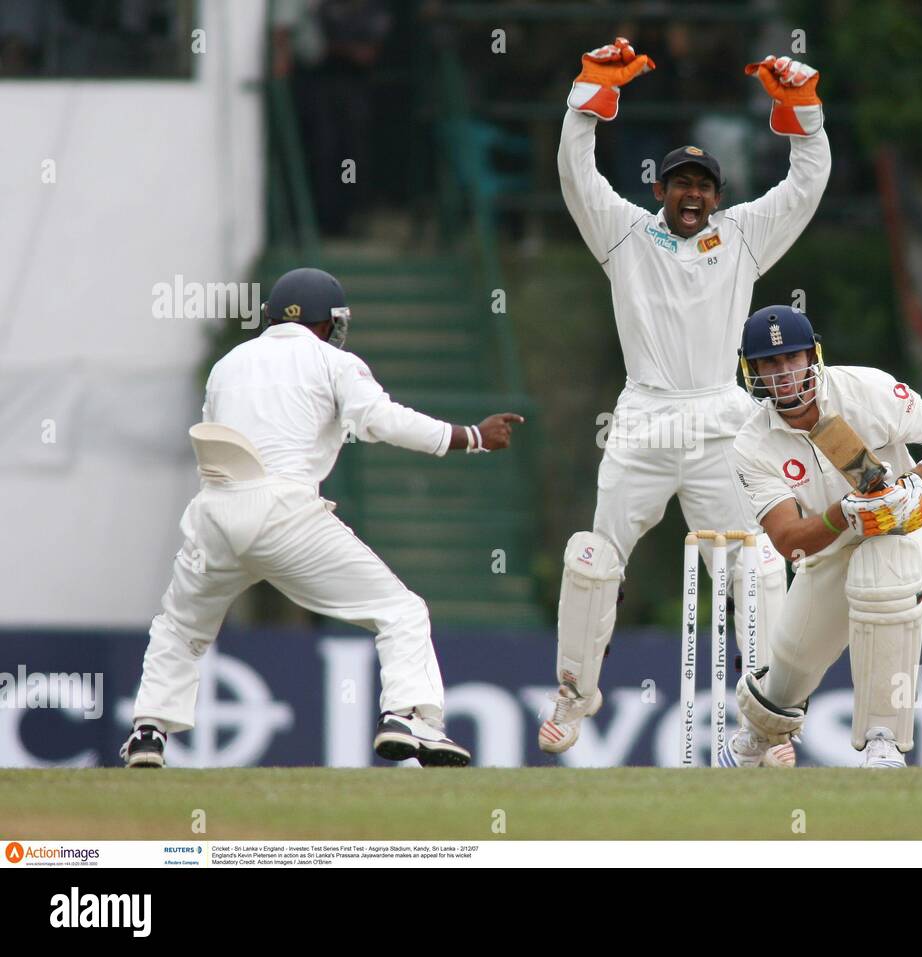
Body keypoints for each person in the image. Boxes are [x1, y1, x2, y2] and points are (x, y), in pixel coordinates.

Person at [541, 39, 831, 763]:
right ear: (661, 190)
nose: (693, 194)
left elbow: (806, 183)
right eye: (680, 184)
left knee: (757, 568)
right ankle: (574, 697)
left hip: (720, 427)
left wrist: (802, 108)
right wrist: (588, 95)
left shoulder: (742, 238)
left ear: (719, 193)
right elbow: (576, 174)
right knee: (593, 557)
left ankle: (767, 727)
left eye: (704, 183)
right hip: (641, 423)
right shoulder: (624, 235)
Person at [120, 268, 524, 769]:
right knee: (401, 611)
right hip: (283, 512)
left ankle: (148, 732)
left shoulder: (227, 364)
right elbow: (379, 420)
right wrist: (471, 436)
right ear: (327, 323)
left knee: (180, 626)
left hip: (214, 514)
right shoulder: (333, 360)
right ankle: (407, 716)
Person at [723, 305, 922, 768]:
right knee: (787, 676)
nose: (784, 373)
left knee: (881, 565)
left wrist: (919, 480)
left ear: (812, 357)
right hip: (829, 554)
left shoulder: (865, 390)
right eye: (770, 364)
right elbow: (787, 539)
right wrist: (845, 514)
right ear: (753, 371)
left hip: (912, 536)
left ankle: (883, 740)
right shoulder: (752, 444)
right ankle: (756, 737)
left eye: (793, 359)